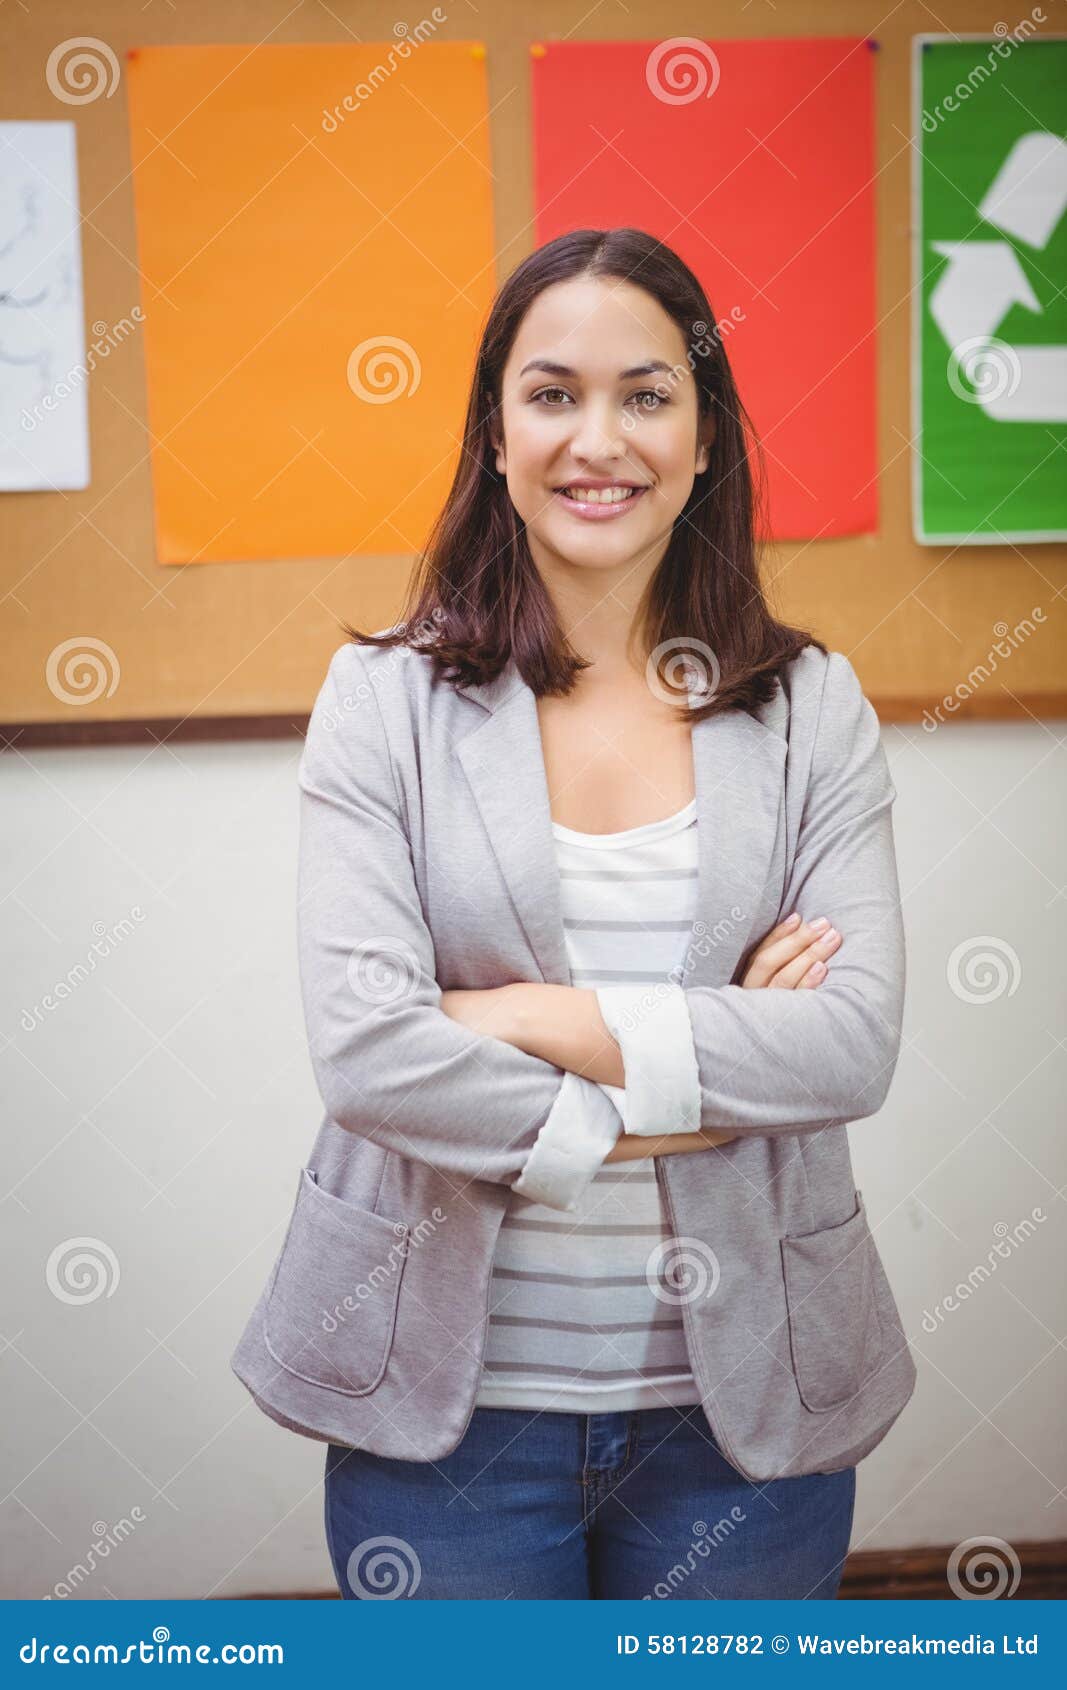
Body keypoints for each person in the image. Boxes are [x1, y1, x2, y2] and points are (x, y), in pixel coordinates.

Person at [230, 227, 915, 1600]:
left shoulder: (809, 706)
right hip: (450, 1418)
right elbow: (369, 1051)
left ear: (706, 436)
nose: (598, 437)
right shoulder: (384, 703)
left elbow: (850, 1045)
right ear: (496, 432)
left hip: (742, 1410)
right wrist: (692, 1086)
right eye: (552, 393)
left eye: (647, 395)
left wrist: (530, 1017)